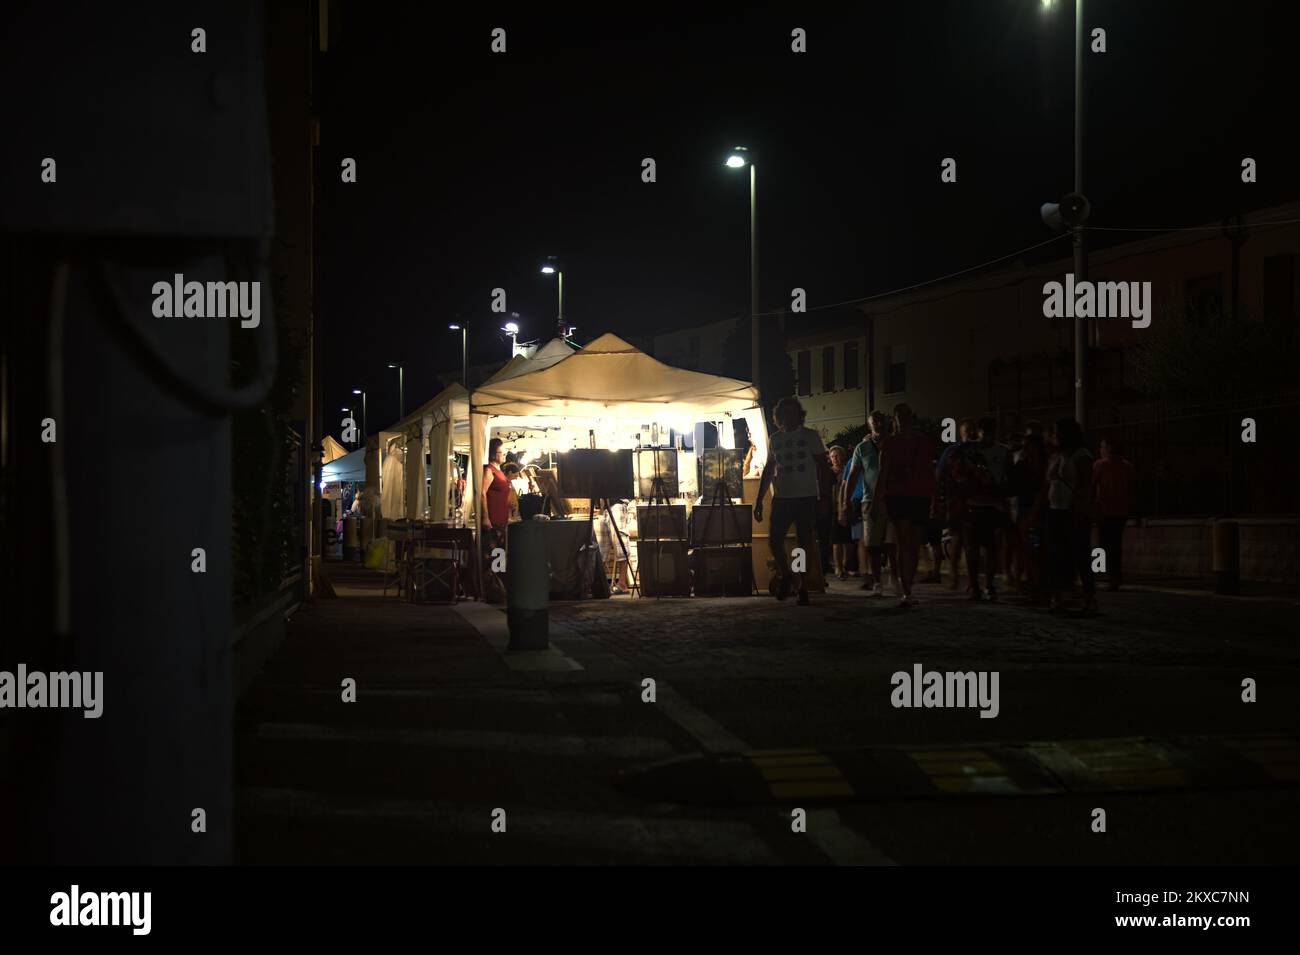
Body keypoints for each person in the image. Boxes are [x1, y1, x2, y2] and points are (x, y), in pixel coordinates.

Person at [755, 396, 828, 606]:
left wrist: (824, 496)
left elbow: (823, 466)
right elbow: (769, 469)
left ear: (799, 415)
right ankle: (787, 575)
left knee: (802, 543)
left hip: (806, 497)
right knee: (774, 540)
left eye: (792, 412)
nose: (788, 417)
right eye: (784, 413)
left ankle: (802, 585)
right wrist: (759, 499)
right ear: (778, 417)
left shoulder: (810, 436)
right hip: (782, 497)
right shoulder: (775, 439)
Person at [871, 403, 936, 608]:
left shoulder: (923, 443)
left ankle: (908, 586)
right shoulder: (890, 444)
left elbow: (929, 471)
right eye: (899, 416)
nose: (903, 420)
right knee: (903, 541)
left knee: (914, 544)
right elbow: (883, 473)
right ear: (895, 420)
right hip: (898, 496)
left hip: (919, 495)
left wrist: (935, 498)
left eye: (906, 415)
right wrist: (875, 501)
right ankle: (906, 588)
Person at [1045, 418, 1096, 613]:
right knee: (1056, 555)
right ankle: (1058, 596)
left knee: (1080, 554)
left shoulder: (1082, 455)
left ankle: (1089, 596)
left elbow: (1085, 485)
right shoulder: (1056, 455)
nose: (1053, 436)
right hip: (1055, 509)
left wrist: (1079, 509)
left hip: (1072, 511)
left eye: (1056, 433)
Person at [843, 410, 895, 596]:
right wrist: (846, 502)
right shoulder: (862, 448)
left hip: (893, 499)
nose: (879, 425)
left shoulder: (894, 444)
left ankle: (895, 577)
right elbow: (852, 476)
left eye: (881, 421)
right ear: (869, 425)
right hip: (869, 499)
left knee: (892, 542)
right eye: (875, 422)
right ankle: (877, 581)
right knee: (872, 544)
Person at [963, 416, 1011, 601]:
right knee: (972, 548)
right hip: (973, 505)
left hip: (993, 505)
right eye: (985, 431)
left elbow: (1007, 477)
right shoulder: (969, 450)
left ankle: (989, 585)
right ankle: (974, 585)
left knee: (991, 548)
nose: (988, 436)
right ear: (979, 431)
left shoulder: (1002, 451)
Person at [1093, 436, 1134, 591]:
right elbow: (1131, 490)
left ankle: (1103, 573)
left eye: (1102, 447)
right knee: (1116, 543)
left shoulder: (1100, 465)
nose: (1100, 450)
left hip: (1104, 510)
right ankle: (1115, 576)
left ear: (1108, 448)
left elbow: (1092, 486)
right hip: (1121, 511)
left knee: (1103, 543)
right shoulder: (1127, 466)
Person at [482, 437, 512, 559]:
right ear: (494, 454)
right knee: (494, 557)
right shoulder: (489, 470)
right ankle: (492, 578)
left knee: (500, 555)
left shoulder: (500, 471)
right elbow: (481, 493)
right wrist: (485, 517)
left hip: (502, 521)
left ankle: (498, 577)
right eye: (502, 452)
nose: (505, 454)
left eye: (505, 452)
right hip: (493, 522)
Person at [827, 446, 854, 578]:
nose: (835, 459)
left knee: (848, 539)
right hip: (832, 508)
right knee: (836, 540)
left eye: (837, 456)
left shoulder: (847, 471)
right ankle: (838, 568)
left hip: (846, 506)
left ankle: (845, 565)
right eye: (833, 456)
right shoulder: (828, 473)